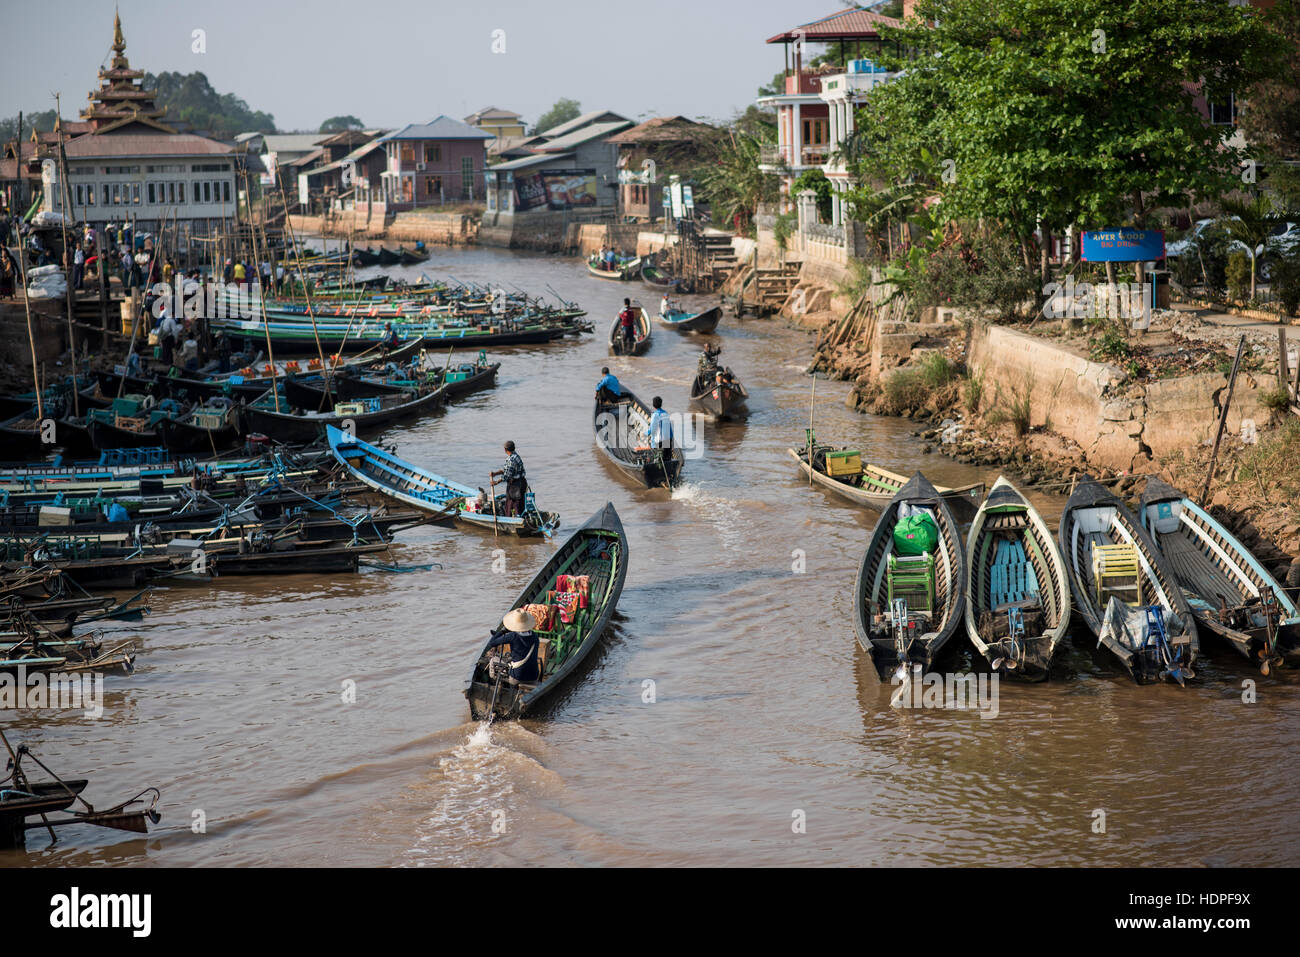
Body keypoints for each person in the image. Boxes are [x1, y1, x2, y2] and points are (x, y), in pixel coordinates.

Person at [483, 608, 542, 685]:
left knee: (493, 660)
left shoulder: (512, 636)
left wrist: (501, 632)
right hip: (533, 677)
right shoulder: (535, 636)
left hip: (516, 678)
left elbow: (491, 643)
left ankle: (493, 681)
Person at [490, 440, 528, 518]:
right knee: (520, 502)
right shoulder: (516, 456)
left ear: (505, 450)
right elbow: (508, 470)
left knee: (513, 503)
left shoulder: (511, 459)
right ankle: (520, 516)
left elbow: (507, 475)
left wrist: (496, 482)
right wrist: (495, 473)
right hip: (522, 482)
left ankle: (514, 519)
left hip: (516, 485)